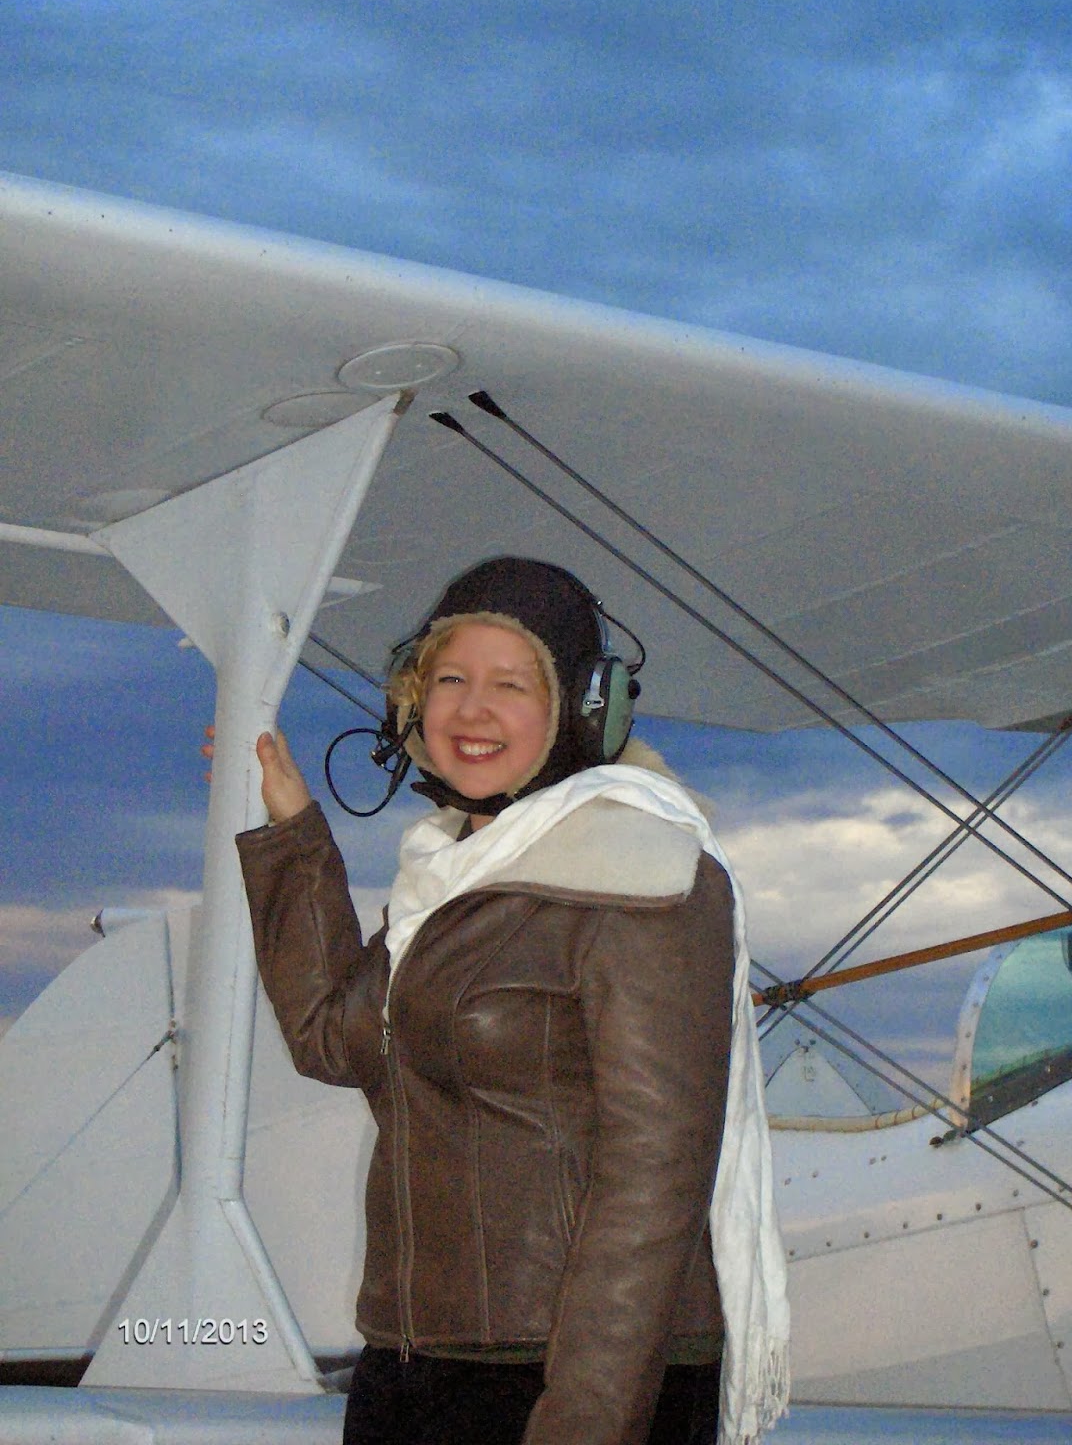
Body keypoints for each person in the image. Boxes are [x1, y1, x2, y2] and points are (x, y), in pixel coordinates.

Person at [236, 557, 789, 1445]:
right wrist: (293, 838)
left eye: (510, 684)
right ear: (412, 703)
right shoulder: (451, 883)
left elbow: (654, 1175)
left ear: (581, 709)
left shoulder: (641, 873)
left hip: (572, 1379)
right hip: (415, 1365)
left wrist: (584, 1416)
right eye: (448, 679)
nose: (471, 709)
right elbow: (331, 1039)